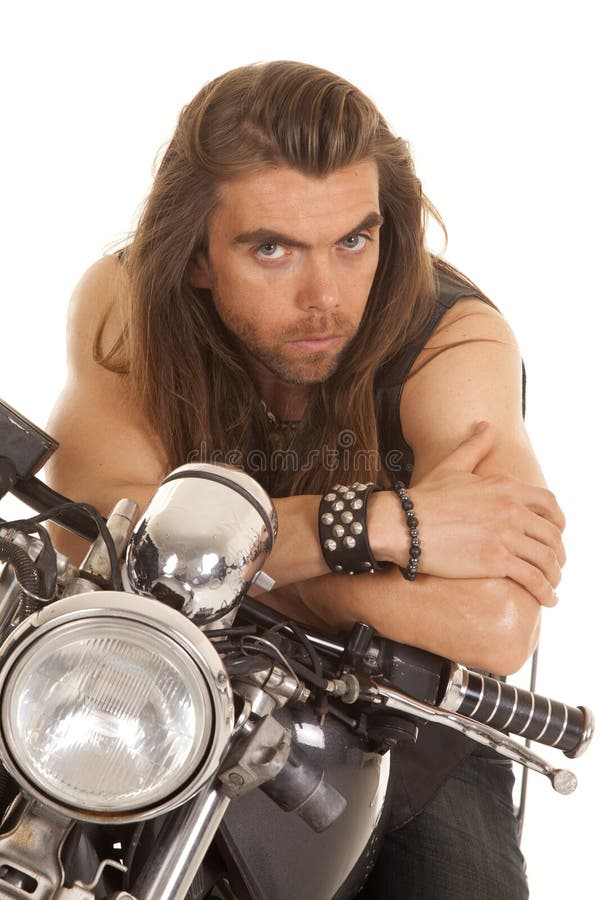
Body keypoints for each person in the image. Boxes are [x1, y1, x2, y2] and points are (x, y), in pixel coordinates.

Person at [46, 61, 565, 899]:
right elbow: (95, 534)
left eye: (354, 240)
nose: (325, 296)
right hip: (169, 681)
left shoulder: (453, 342)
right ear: (198, 256)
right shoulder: (129, 300)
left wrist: (249, 558)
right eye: (273, 249)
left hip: (405, 720)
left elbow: (497, 625)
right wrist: (365, 533)